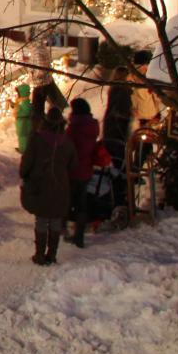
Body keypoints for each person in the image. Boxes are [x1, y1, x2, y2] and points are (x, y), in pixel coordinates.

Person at [21, 107, 75, 265]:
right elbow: (73, 163)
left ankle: (39, 255)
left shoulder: (37, 139)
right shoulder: (67, 142)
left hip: (40, 184)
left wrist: (25, 174)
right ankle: (52, 254)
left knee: (42, 219)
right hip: (60, 185)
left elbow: (27, 162)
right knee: (56, 219)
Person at [66, 97, 103, 248]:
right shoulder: (92, 126)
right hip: (86, 170)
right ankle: (79, 236)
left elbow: (67, 147)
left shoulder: (74, 129)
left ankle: (62, 229)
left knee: (67, 201)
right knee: (81, 204)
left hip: (72, 170)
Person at [14, 83, 35, 154]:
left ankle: (24, 150)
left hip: (23, 122)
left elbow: (24, 111)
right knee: (23, 137)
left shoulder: (24, 103)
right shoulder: (24, 101)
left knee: (23, 137)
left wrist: (18, 110)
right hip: (24, 122)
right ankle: (24, 148)